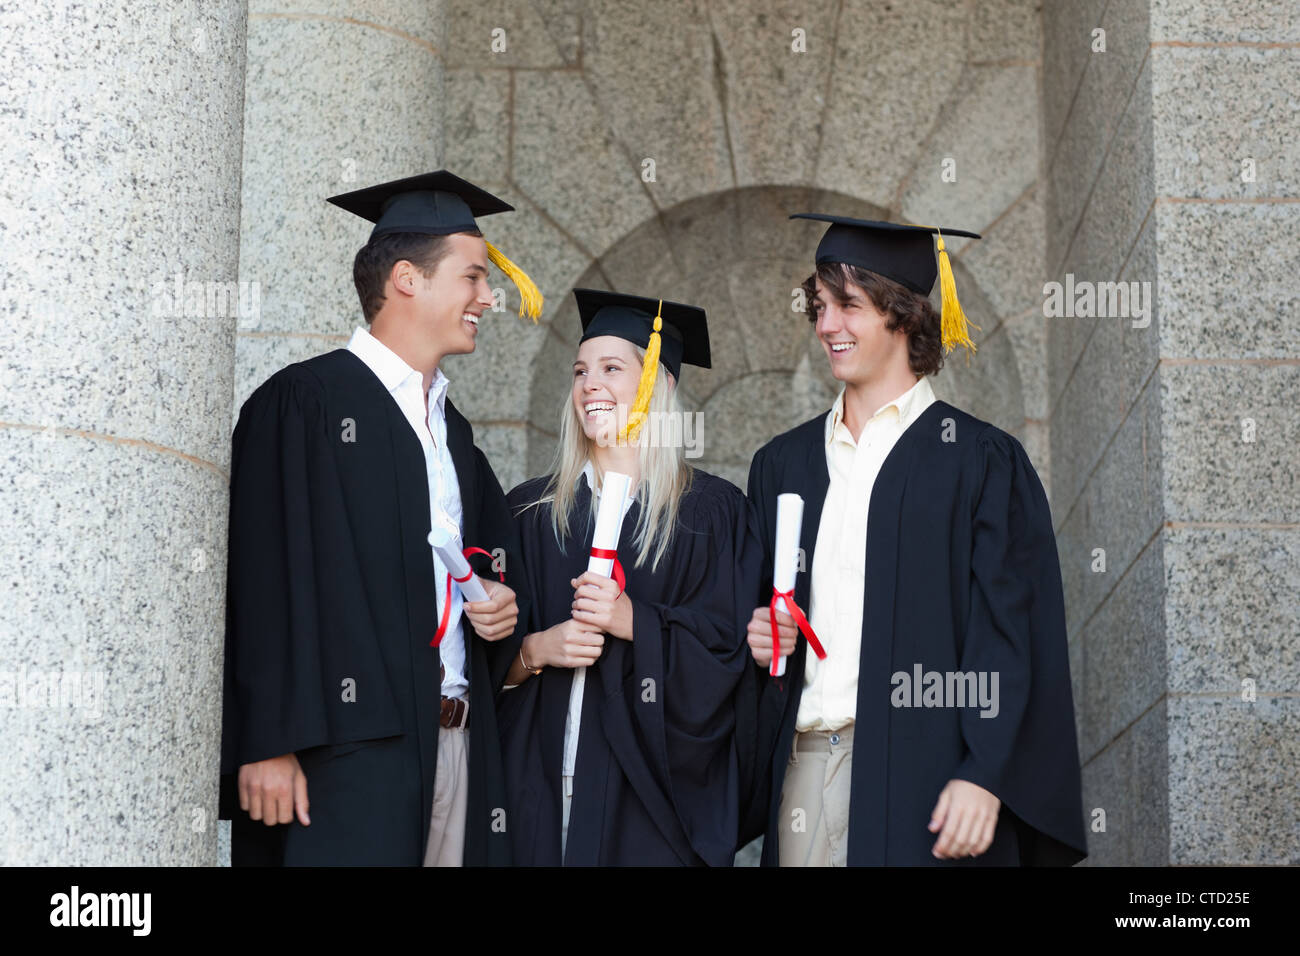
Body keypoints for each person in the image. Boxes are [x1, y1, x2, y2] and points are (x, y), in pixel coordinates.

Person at [217, 170, 540, 866]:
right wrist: (269, 740)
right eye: (473, 277)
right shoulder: (304, 403)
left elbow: (485, 558)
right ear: (406, 279)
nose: (489, 297)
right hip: (343, 758)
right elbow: (264, 578)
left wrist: (497, 602)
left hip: (455, 746)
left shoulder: (453, 432)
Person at [743, 214, 1087, 866]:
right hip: (808, 767)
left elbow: (1009, 633)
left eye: (848, 305)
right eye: (820, 306)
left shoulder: (980, 461)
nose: (826, 325)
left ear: (902, 314)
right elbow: (756, 616)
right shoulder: (782, 465)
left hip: (929, 771)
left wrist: (985, 772)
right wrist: (760, 634)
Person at [499, 289, 759, 865]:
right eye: (580, 371)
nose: (590, 384)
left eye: (612, 368)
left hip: (649, 807)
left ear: (659, 385)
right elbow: (480, 663)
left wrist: (633, 621)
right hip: (536, 792)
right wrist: (540, 648)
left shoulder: (712, 515)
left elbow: (729, 660)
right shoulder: (530, 513)